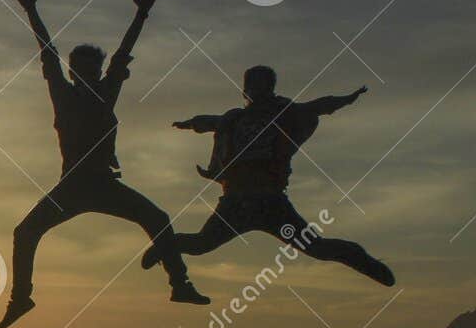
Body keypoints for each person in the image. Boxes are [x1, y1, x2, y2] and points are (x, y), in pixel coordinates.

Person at [0, 0, 207, 328]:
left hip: (104, 184)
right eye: (81, 68)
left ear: (98, 71)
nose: (88, 74)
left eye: (93, 69)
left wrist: (142, 14)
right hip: (73, 186)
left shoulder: (107, 92)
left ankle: (180, 285)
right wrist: (31, 11)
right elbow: (48, 54)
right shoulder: (62, 94)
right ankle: (21, 298)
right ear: (73, 71)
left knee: (157, 218)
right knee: (25, 232)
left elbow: (123, 54)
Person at [150, 66, 396, 286]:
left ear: (269, 88)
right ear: (245, 90)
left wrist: (346, 99)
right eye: (251, 86)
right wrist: (189, 123)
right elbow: (210, 121)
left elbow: (319, 106)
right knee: (201, 244)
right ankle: (164, 246)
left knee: (316, 247)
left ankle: (365, 261)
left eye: (260, 85)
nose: (254, 91)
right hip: (236, 205)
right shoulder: (235, 119)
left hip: (271, 206)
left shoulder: (284, 113)